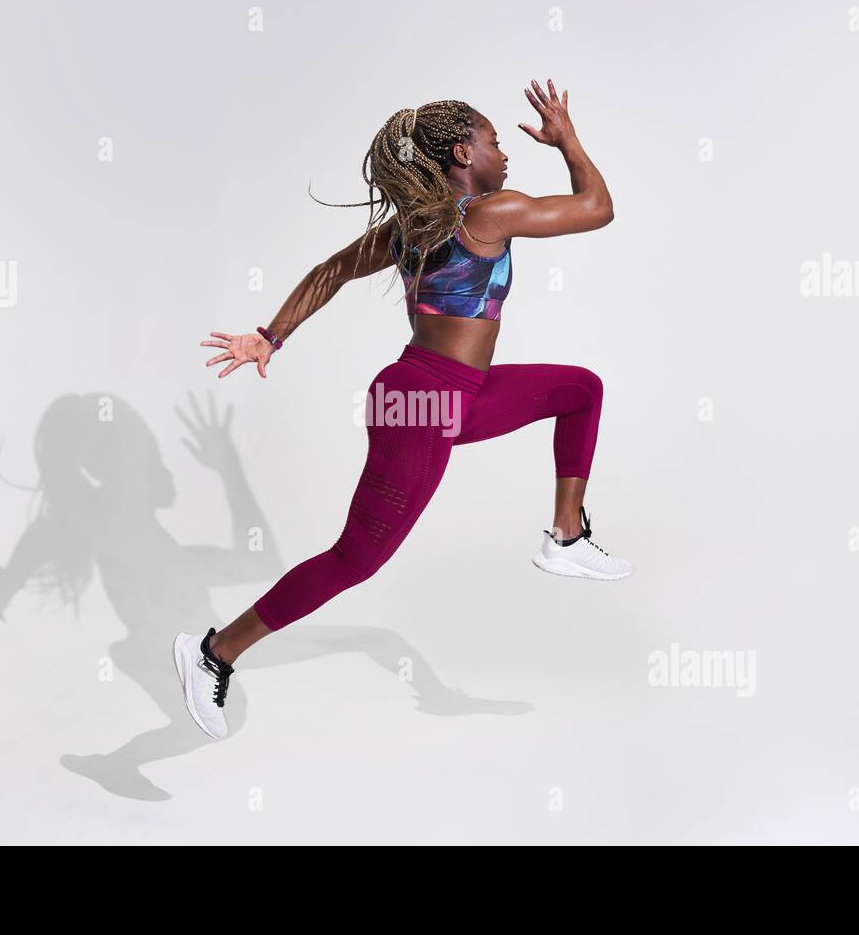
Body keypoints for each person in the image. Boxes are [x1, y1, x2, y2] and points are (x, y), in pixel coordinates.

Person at [174, 79, 631, 740]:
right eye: (494, 141)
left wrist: (271, 336)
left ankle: (565, 538)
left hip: (454, 394)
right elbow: (598, 207)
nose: (505, 152)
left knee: (580, 389)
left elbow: (331, 270)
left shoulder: (413, 229)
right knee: (356, 561)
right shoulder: (491, 212)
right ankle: (213, 652)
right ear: (460, 156)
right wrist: (568, 141)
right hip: (422, 403)